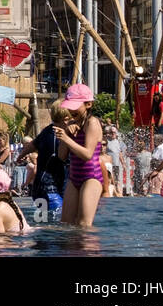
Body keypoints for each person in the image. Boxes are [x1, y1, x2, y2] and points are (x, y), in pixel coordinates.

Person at [53, 84, 103, 227]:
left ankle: (89, 249)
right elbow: (61, 157)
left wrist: (67, 139)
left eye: (75, 106)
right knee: (66, 224)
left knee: (84, 224)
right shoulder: (72, 124)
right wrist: (66, 133)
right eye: (69, 106)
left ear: (88, 104)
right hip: (74, 178)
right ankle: (71, 250)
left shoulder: (92, 123)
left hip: (91, 178)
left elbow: (87, 154)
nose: (71, 110)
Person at [16, 101, 68, 220]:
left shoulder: (47, 130)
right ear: (65, 119)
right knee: (55, 221)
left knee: (43, 218)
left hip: (41, 187)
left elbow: (33, 144)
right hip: (49, 189)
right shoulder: (58, 137)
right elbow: (63, 158)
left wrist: (21, 155)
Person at [104, 125, 126, 197]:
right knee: (109, 179)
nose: (113, 134)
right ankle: (108, 192)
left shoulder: (117, 142)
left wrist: (123, 163)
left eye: (114, 132)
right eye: (111, 132)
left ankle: (116, 191)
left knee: (116, 179)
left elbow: (119, 153)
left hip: (116, 164)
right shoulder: (106, 141)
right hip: (109, 164)